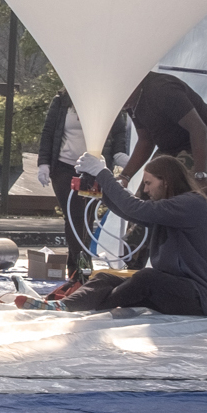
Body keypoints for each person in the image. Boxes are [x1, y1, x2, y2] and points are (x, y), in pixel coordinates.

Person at [63, 153, 207, 316]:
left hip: (198, 298)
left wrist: (102, 174)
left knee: (145, 278)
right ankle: (63, 306)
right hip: (174, 288)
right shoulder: (172, 209)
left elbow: (135, 208)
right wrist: (100, 187)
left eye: (148, 183)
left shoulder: (191, 204)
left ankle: (95, 308)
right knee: (105, 279)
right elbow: (130, 212)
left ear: (166, 181)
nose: (145, 190)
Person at [36, 90, 131, 277]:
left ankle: (79, 267)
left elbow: (119, 131)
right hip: (64, 168)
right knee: (74, 217)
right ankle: (79, 269)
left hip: (94, 169)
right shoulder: (62, 101)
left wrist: (118, 153)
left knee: (87, 218)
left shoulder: (107, 100)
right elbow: (48, 132)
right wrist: (44, 163)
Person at [119, 70, 207, 189]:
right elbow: (146, 140)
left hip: (203, 143)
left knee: (184, 193)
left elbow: (198, 129)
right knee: (148, 192)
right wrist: (125, 177)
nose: (120, 106)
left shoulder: (163, 89)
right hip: (169, 148)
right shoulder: (129, 100)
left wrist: (200, 176)